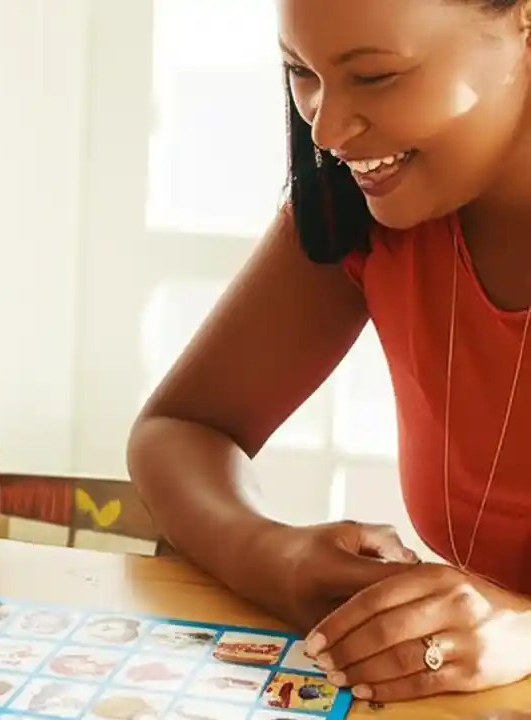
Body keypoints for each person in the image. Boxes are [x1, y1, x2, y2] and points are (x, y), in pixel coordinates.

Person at [128, 0, 531, 705]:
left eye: (374, 76)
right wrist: (274, 555)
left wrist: (523, 633)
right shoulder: (367, 212)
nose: (329, 128)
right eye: (301, 72)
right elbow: (178, 431)